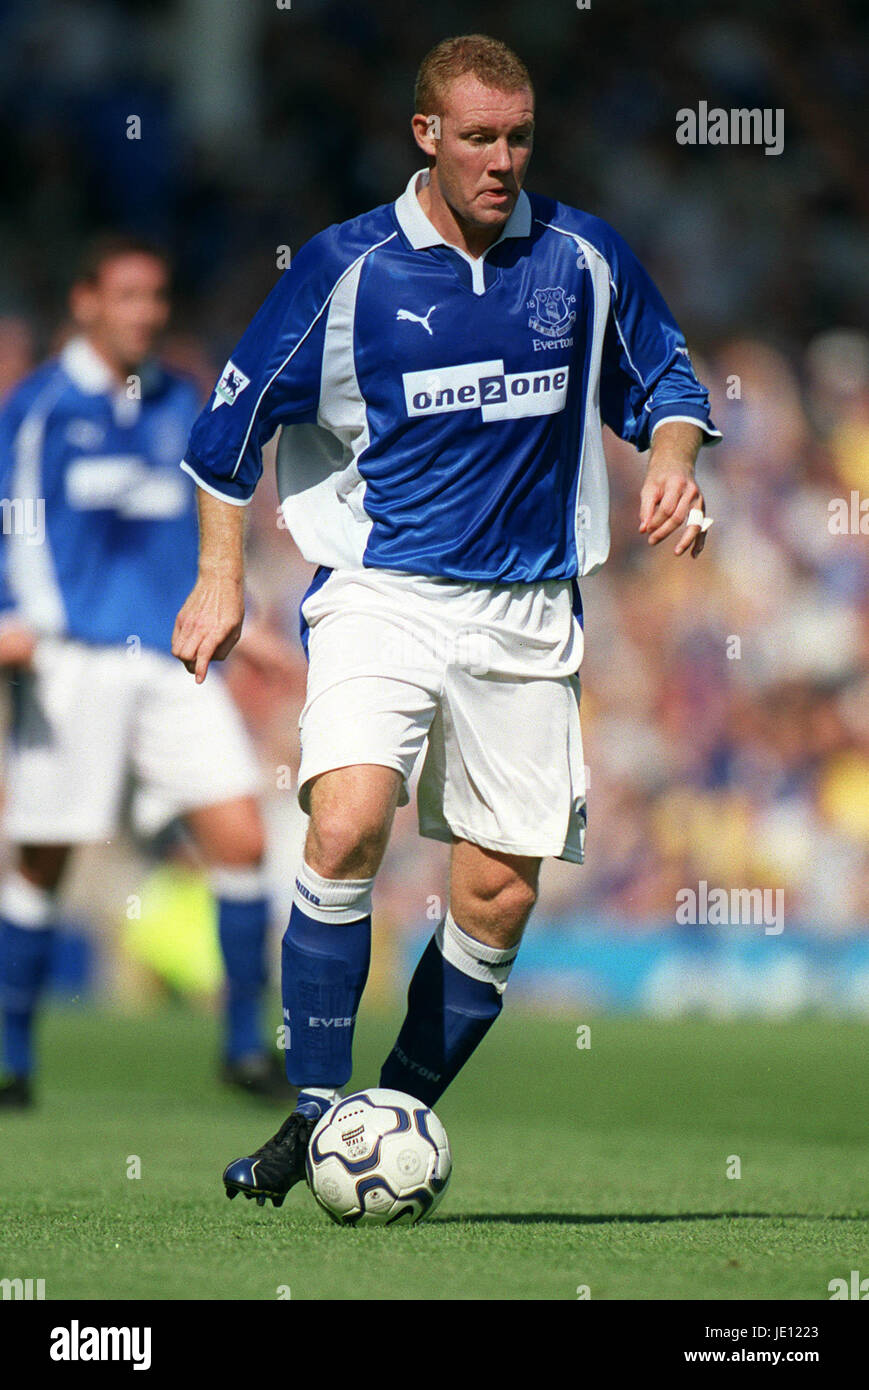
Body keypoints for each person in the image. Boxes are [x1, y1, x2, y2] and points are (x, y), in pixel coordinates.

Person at [172, 33, 720, 1208]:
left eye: (518, 137)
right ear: (426, 134)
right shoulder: (343, 268)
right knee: (346, 821)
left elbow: (668, 382)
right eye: (478, 137)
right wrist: (219, 579)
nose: (502, 160)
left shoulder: (580, 257)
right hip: (383, 592)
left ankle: (387, 1106)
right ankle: (317, 1116)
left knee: (495, 898)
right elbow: (225, 440)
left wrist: (671, 461)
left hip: (526, 613)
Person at [0, 236, 290, 1106]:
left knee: (241, 838)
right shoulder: (38, 409)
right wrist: (14, 619)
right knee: (44, 858)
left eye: (156, 296)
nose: (146, 313)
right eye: (127, 295)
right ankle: (12, 1059)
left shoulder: (182, 405)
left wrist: (243, 617)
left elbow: (212, 526)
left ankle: (243, 1049)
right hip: (70, 658)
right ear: (85, 302)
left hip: (173, 665)